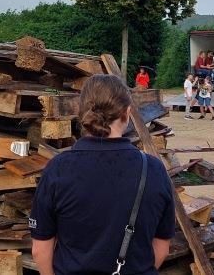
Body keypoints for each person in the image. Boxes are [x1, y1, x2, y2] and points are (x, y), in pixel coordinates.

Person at [30, 75, 176, 275]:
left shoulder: (58, 169)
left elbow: (40, 250)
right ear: (127, 113)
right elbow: (162, 247)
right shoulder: (154, 169)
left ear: (81, 113)